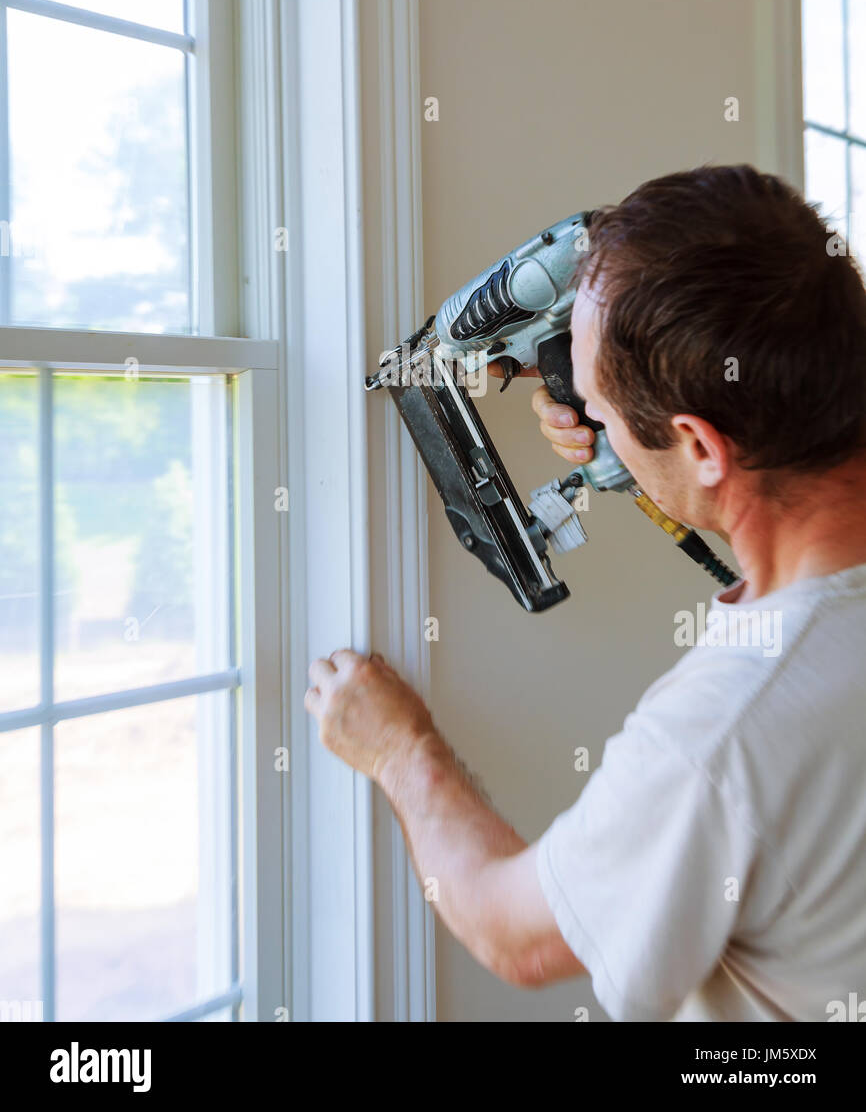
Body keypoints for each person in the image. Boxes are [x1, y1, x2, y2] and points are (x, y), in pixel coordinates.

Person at [304, 164, 866, 1021]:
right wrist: (633, 411)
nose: (588, 422)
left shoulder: (722, 733)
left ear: (700, 445)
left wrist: (397, 750)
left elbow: (515, 935)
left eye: (596, 413)